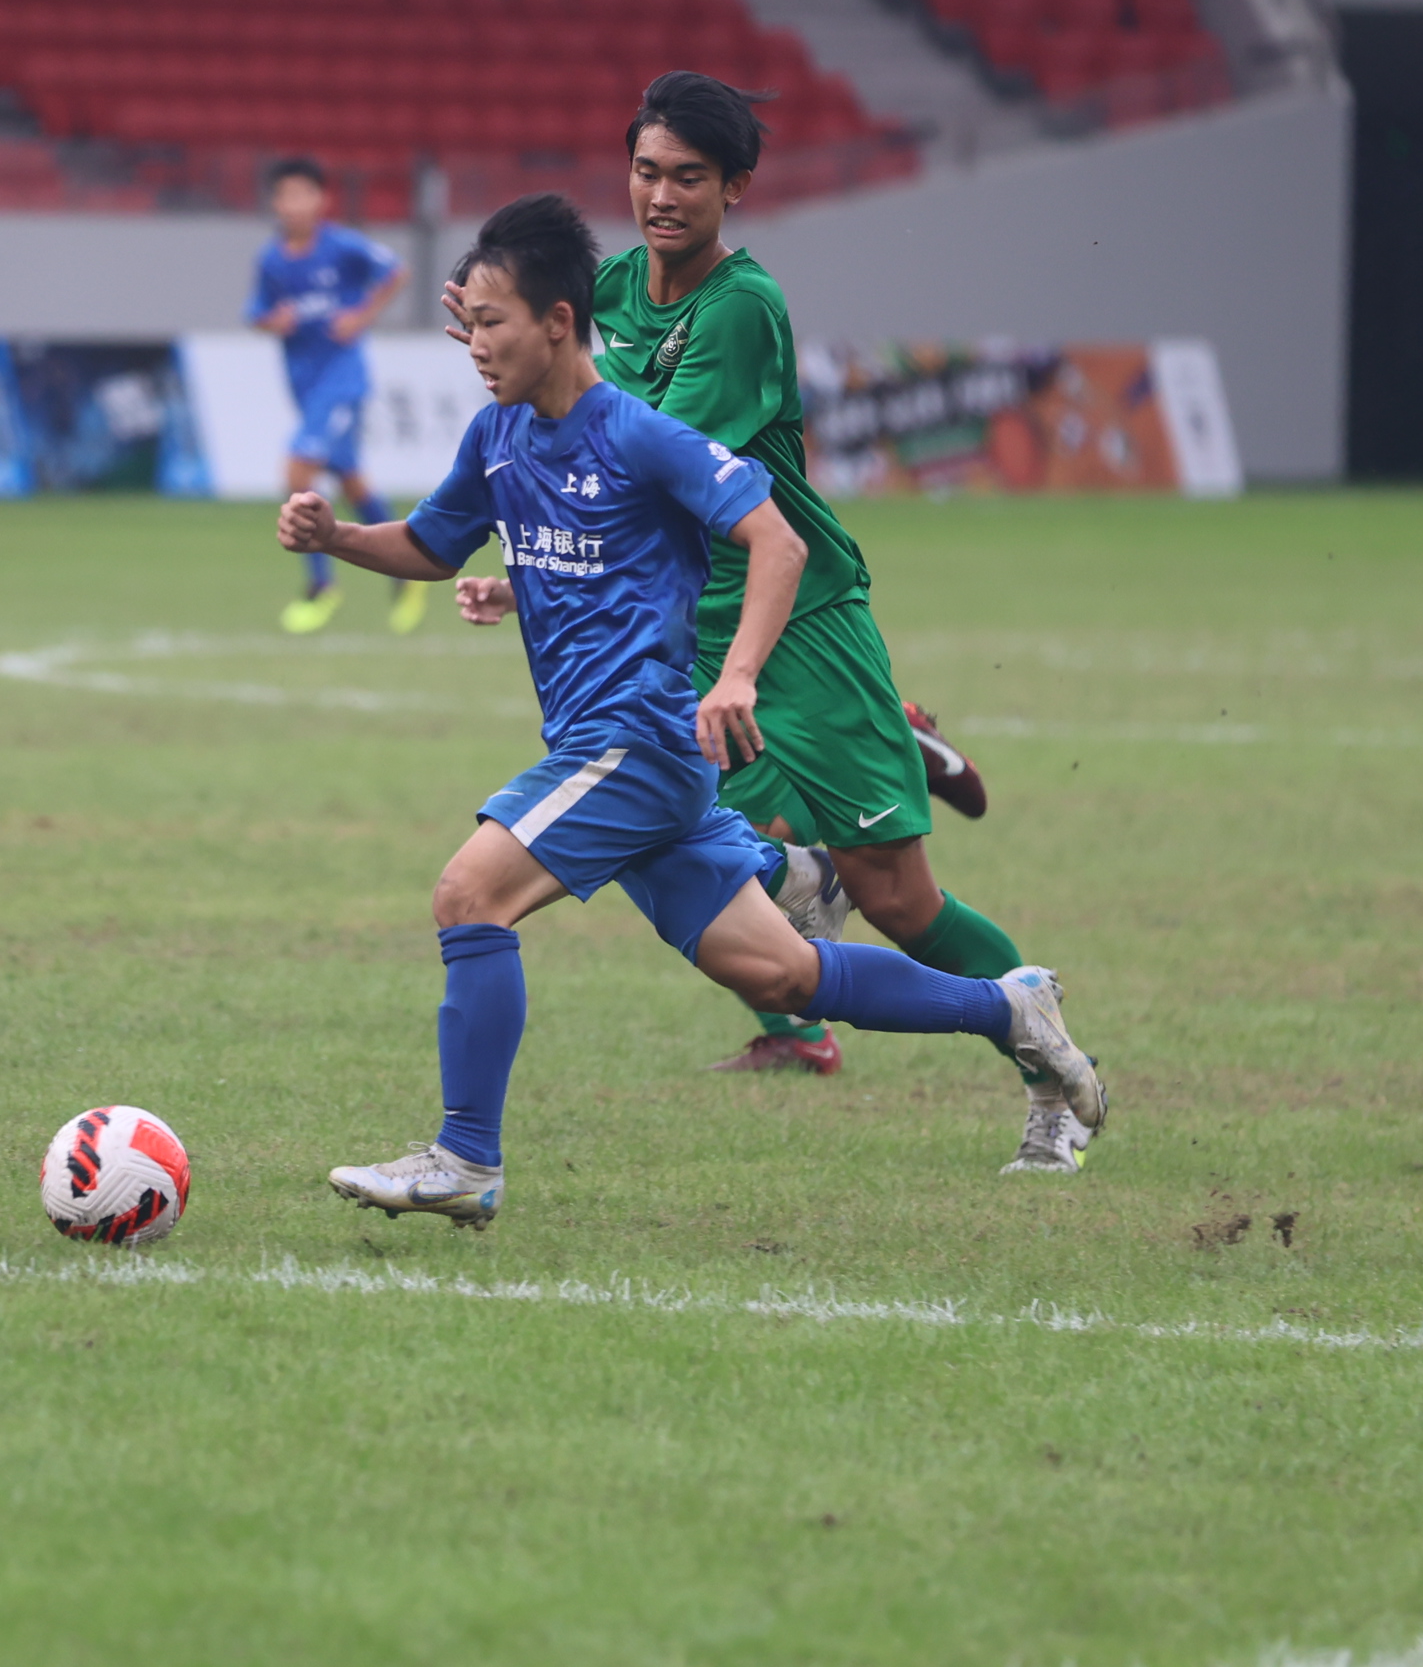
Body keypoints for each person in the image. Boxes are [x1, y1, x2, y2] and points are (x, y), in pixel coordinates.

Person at [285, 194, 1102, 1229]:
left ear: (559, 323)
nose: (473, 344)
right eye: (469, 322)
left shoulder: (641, 433)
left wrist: (740, 674)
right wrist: (339, 538)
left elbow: (780, 542)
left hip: (635, 745)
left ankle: (465, 1156)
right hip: (625, 758)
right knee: (784, 972)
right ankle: (1010, 1004)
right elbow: (437, 543)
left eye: (492, 322)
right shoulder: (497, 434)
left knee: (467, 893)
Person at [450, 74, 1082, 1168]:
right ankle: (803, 902)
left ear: (735, 189)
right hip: (689, 625)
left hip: (796, 620)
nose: (661, 196)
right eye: (646, 171)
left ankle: (1043, 1066)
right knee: (670, 812)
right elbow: (565, 406)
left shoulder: (742, 308)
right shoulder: (608, 285)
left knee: (901, 899)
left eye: (689, 177)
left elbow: (642, 456)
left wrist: (558, 554)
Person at [249, 157, 417, 634]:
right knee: (352, 482)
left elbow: (396, 272)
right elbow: (256, 312)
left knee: (296, 469)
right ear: (275, 203)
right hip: (305, 385)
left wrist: (362, 316)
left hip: (343, 382)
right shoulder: (271, 260)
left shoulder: (341, 246)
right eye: (286, 195)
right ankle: (409, 569)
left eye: (305, 194)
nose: (295, 204)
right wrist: (271, 321)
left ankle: (322, 585)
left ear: (321, 201)